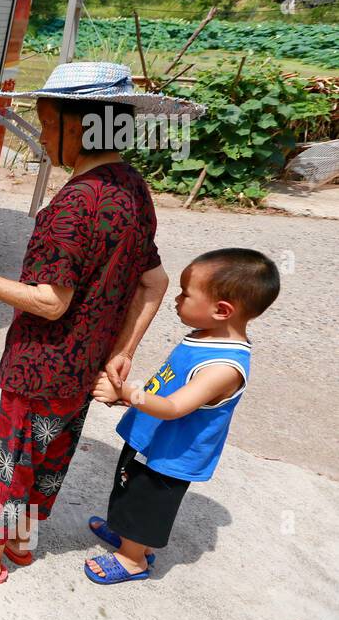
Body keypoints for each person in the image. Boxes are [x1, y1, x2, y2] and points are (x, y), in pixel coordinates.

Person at [0, 62, 204, 583]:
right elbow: (154, 283)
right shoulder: (134, 191)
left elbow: (50, 303)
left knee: (14, 458)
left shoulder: (75, 203)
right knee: (48, 457)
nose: (43, 138)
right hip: (84, 369)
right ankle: (22, 544)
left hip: (41, 365)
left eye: (49, 124)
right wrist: (121, 351)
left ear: (79, 125)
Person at [86, 249, 279, 584]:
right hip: (154, 437)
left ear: (222, 310)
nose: (176, 299)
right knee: (129, 487)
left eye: (186, 294)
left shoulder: (223, 367)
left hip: (171, 453)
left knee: (147, 501)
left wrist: (127, 394)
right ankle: (129, 536)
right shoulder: (206, 338)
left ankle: (134, 559)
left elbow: (176, 407)